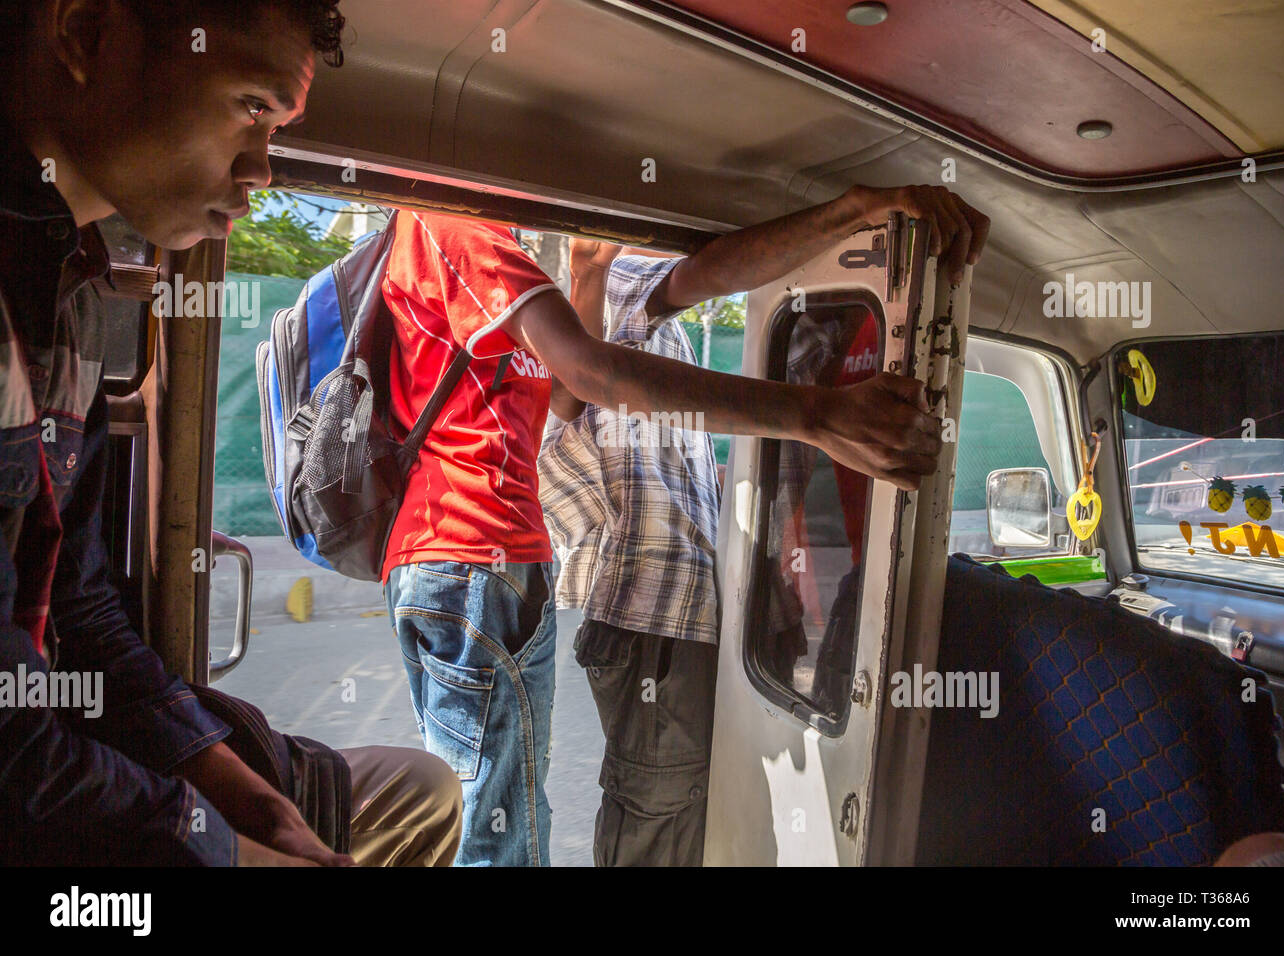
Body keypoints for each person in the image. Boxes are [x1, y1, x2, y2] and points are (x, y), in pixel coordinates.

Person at [382, 185, 985, 866]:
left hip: (671, 615)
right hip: (648, 618)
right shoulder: (551, 294)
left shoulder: (597, 300)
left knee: (569, 813)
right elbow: (586, 381)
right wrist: (818, 413)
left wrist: (853, 212)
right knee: (631, 825)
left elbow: (706, 273)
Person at [1, 0, 462, 866]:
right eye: (252, 107)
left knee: (425, 792)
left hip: (65, 753)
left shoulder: (75, 294)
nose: (262, 171)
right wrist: (229, 851)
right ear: (85, 31)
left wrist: (235, 789)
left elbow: (83, 608)